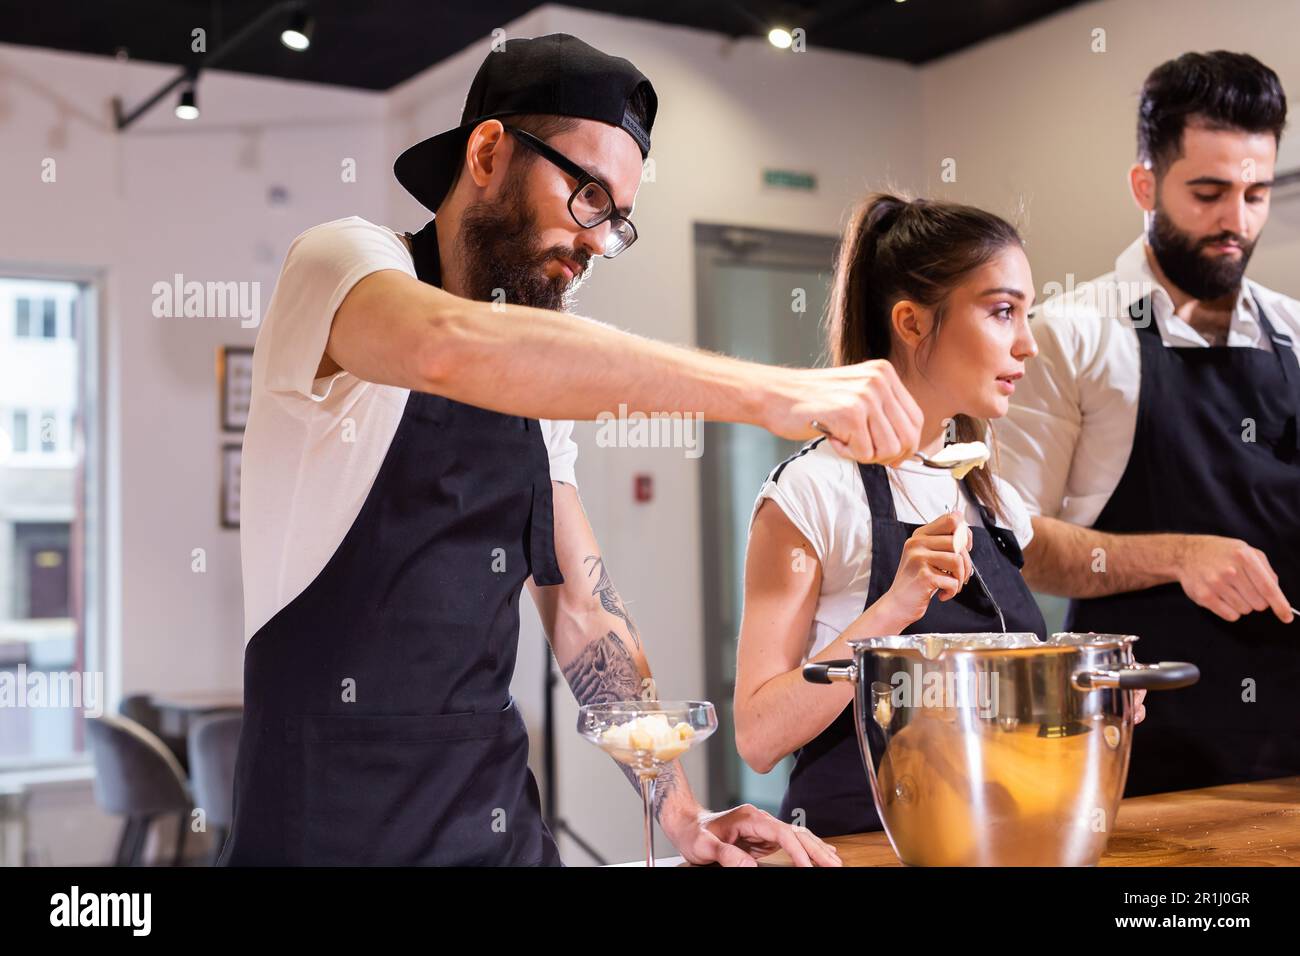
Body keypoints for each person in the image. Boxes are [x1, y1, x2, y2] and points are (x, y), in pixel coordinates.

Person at [220, 33, 922, 866]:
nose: (596, 240)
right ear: (488, 151)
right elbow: (452, 347)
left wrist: (683, 813)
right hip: (320, 834)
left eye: (617, 220)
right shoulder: (342, 265)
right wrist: (774, 393)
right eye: (587, 195)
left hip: (494, 830)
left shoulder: (536, 383)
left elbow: (587, 620)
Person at [732, 193, 1092, 837]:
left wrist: (1084, 701)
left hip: (994, 842)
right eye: (1003, 312)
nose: (1029, 344)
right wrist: (893, 609)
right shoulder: (811, 492)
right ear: (912, 322)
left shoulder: (993, 501)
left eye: (1026, 313)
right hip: (858, 846)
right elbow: (758, 736)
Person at [1002, 51, 1300, 797]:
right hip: (1143, 746)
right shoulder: (1069, 335)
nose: (1237, 222)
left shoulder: (1295, 334)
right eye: (1209, 193)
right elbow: (1017, 543)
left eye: (1257, 194)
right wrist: (1179, 556)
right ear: (1145, 185)